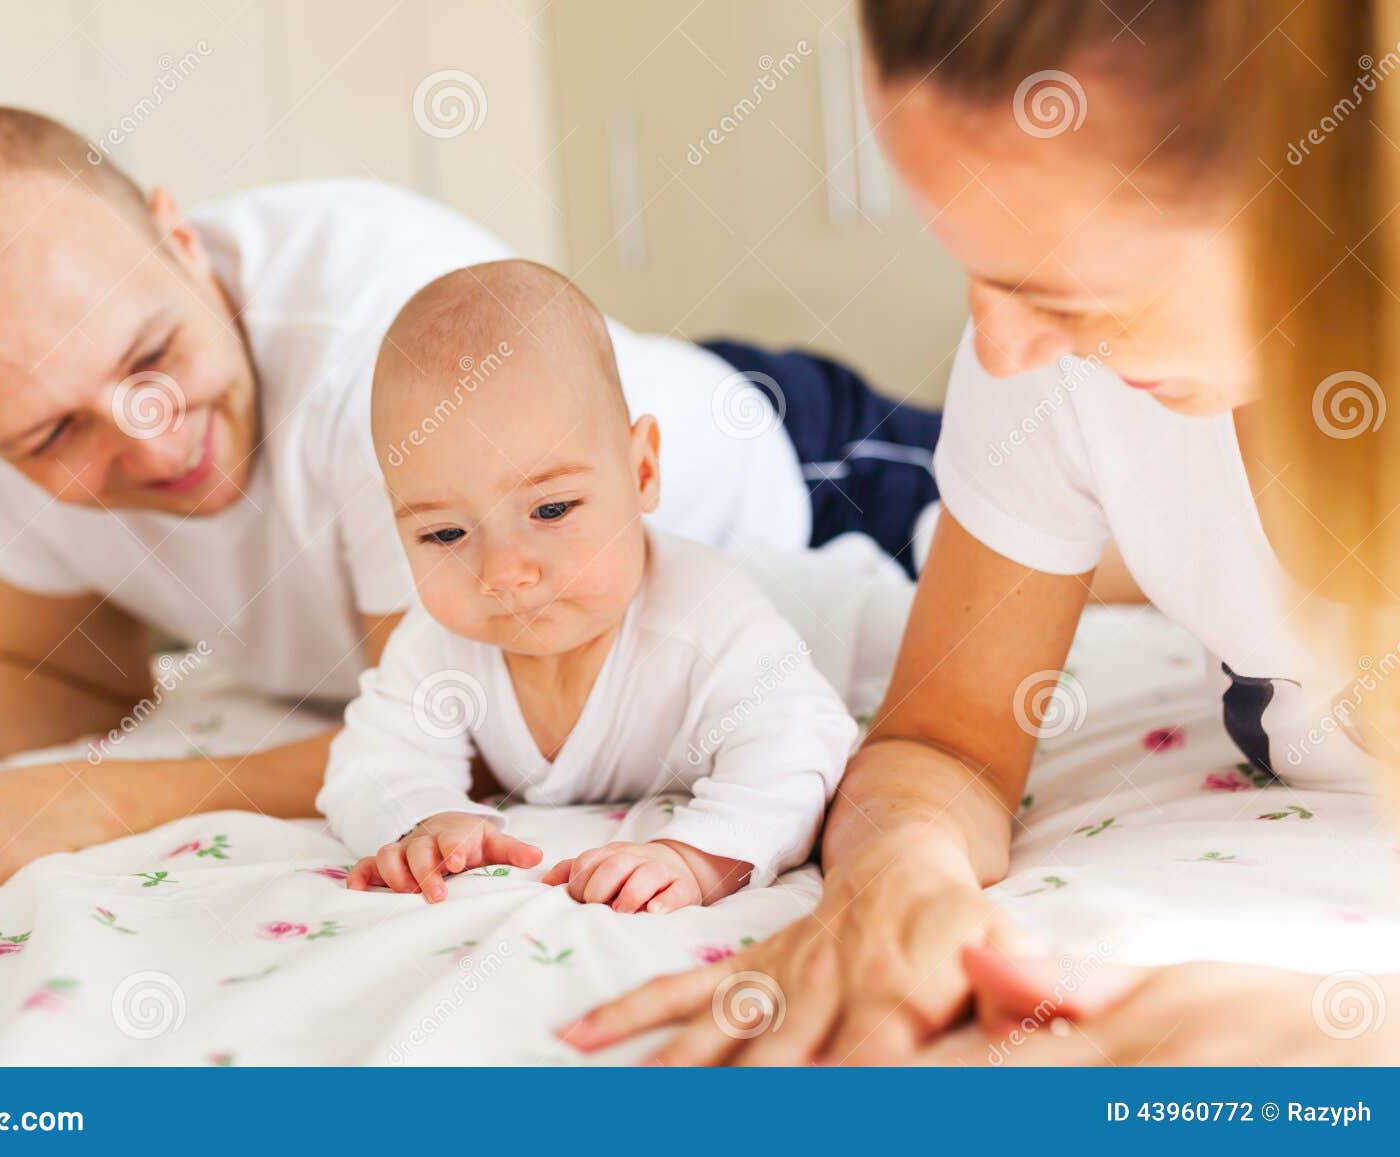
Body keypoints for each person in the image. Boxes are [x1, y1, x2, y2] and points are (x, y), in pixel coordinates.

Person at [0, 104, 931, 902]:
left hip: (809, 477)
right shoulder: (3, 450)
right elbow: (67, 680)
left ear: (180, 238)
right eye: (52, 433)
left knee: (1056, 519)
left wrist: (75, 804)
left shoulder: (372, 351)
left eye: (150, 353)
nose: (150, 440)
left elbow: (472, 728)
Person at [562, 0, 1400, 1064]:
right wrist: (898, 876)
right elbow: (943, 740)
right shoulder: (1051, 365)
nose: (999, 351)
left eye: (1070, 290)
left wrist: (1335, 1024)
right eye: (976, 265)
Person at [323, 261, 858, 910]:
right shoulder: (436, 644)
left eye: (551, 511)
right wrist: (422, 818)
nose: (503, 573)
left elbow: (801, 739)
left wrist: (698, 854)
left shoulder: (708, 618)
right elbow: (374, 754)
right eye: (444, 535)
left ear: (641, 472)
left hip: (836, 591)